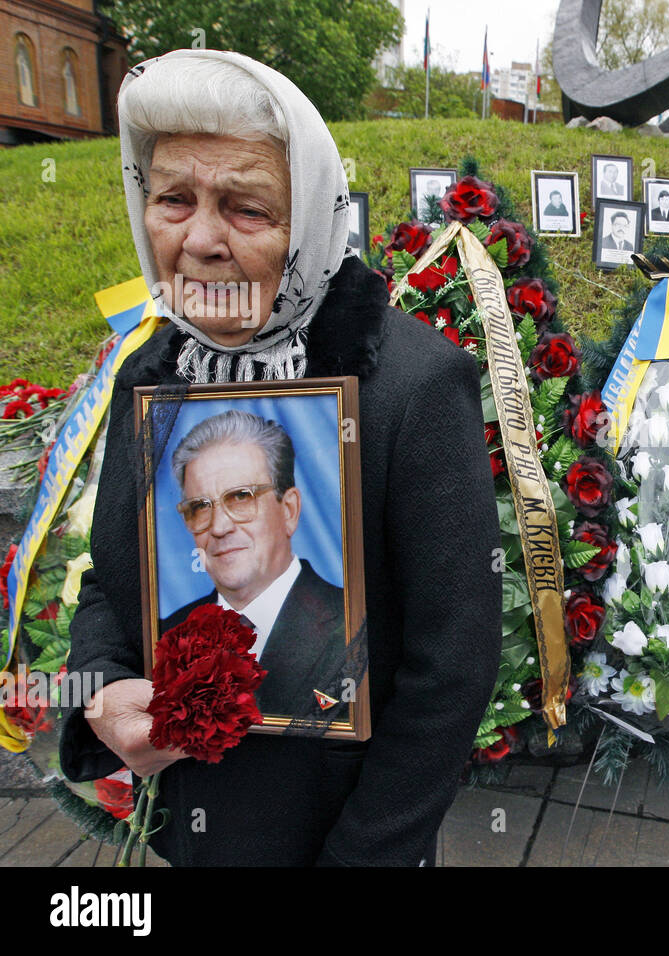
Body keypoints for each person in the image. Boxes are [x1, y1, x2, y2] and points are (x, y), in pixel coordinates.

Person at [59, 50, 502, 866]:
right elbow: (110, 580)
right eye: (173, 200)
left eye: (247, 209)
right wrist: (103, 688)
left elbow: (453, 664)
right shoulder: (148, 374)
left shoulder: (412, 383)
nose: (199, 241)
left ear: (310, 215)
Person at [161, 410, 347, 719]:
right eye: (200, 507)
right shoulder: (167, 635)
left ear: (288, 510)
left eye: (240, 498)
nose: (219, 527)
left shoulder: (354, 623)